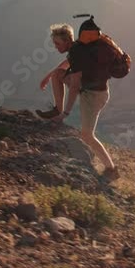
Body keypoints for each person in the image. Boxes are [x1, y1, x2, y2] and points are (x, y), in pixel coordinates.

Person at [38, 19, 119, 182]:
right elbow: (66, 63)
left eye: (57, 43)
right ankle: (57, 109)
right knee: (57, 74)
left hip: (94, 96)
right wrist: (48, 75)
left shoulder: (77, 52)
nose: (55, 47)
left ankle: (111, 169)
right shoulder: (77, 48)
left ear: (67, 41)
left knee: (87, 135)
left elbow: (74, 86)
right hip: (95, 91)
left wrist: (66, 113)